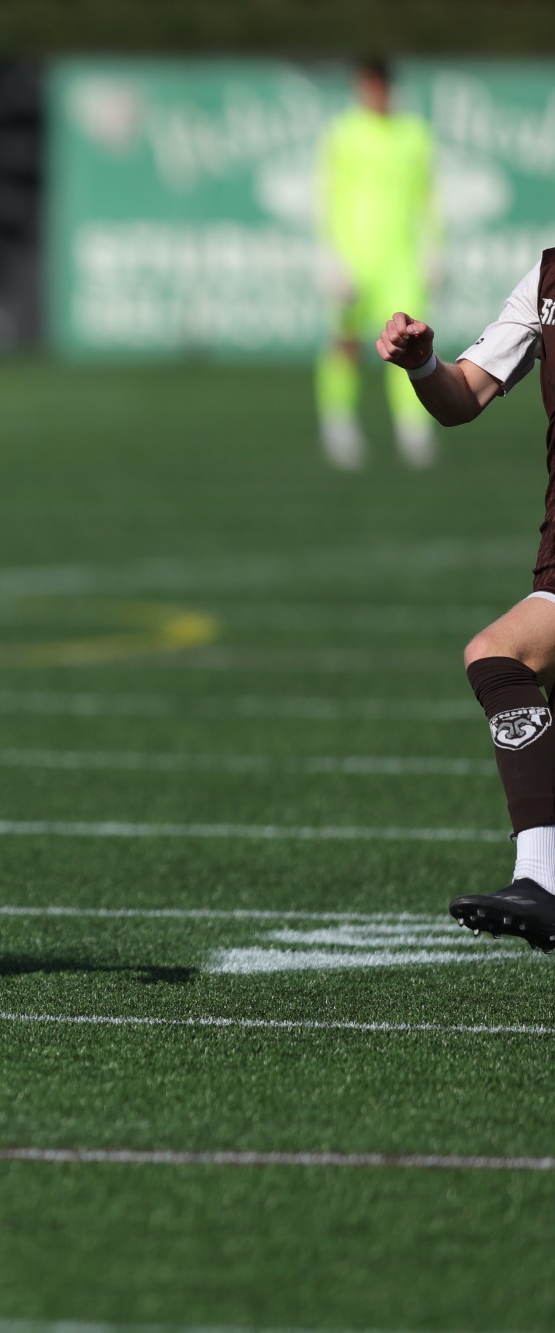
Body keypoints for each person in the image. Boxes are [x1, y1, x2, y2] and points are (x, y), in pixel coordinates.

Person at [378, 260, 555, 951]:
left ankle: (540, 879)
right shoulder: (544, 282)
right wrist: (424, 367)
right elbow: (463, 396)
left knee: (498, 653)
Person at [316, 58, 435, 470]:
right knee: (345, 343)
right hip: (354, 259)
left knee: (409, 342)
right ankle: (338, 421)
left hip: (400, 261)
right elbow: (329, 195)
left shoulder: (414, 135)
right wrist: (330, 254)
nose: (376, 93)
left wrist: (434, 250)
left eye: (381, 85)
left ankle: (413, 426)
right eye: (369, 85)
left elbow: (428, 199)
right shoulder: (344, 133)